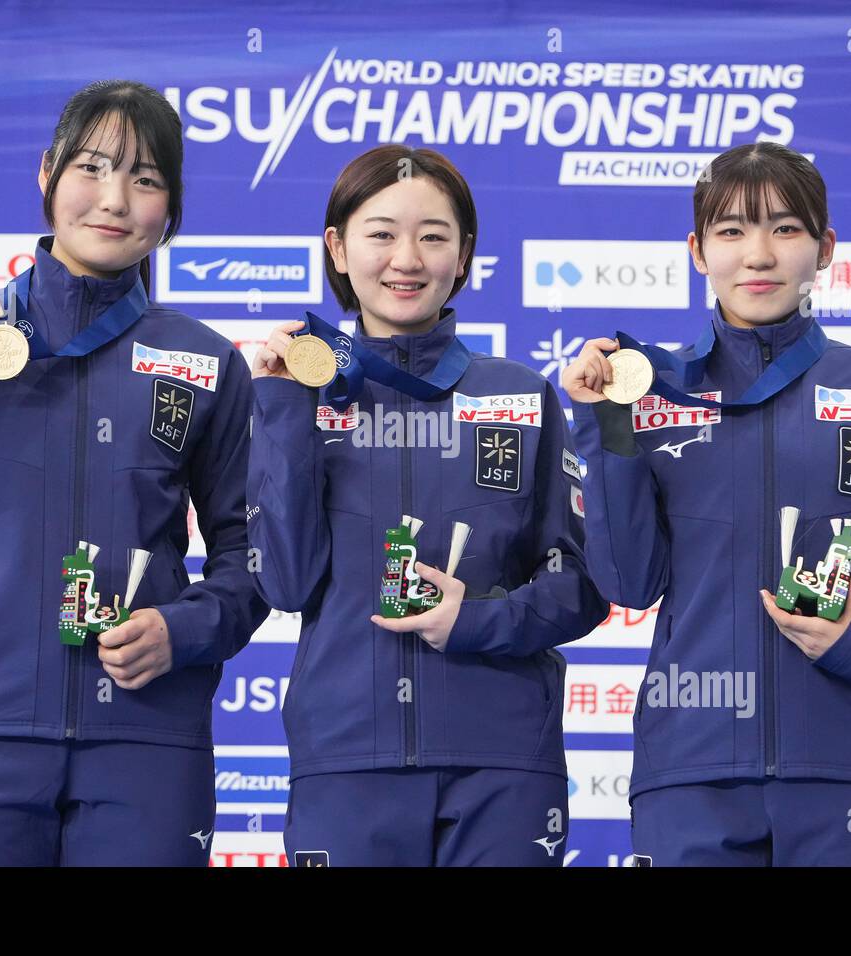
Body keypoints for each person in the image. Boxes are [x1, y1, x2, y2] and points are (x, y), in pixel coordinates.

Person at [0, 80, 267, 866]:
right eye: (91, 167)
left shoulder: (207, 361)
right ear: (46, 173)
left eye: (145, 179)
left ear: (171, 210)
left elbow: (251, 556)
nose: (114, 198)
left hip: (147, 736)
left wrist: (181, 631)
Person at [563, 141, 851, 866]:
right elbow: (628, 582)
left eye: (785, 228)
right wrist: (609, 428)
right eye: (731, 231)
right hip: (690, 770)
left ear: (825, 248)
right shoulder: (646, 392)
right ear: (697, 250)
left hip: (845, 765)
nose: (758, 254)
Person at [246, 145, 608, 866]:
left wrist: (476, 621)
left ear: (464, 253)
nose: (406, 258)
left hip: (503, 766)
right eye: (380, 233)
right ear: (337, 249)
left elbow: (584, 588)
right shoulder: (300, 399)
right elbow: (283, 583)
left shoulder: (520, 396)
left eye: (433, 235)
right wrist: (285, 405)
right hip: (347, 760)